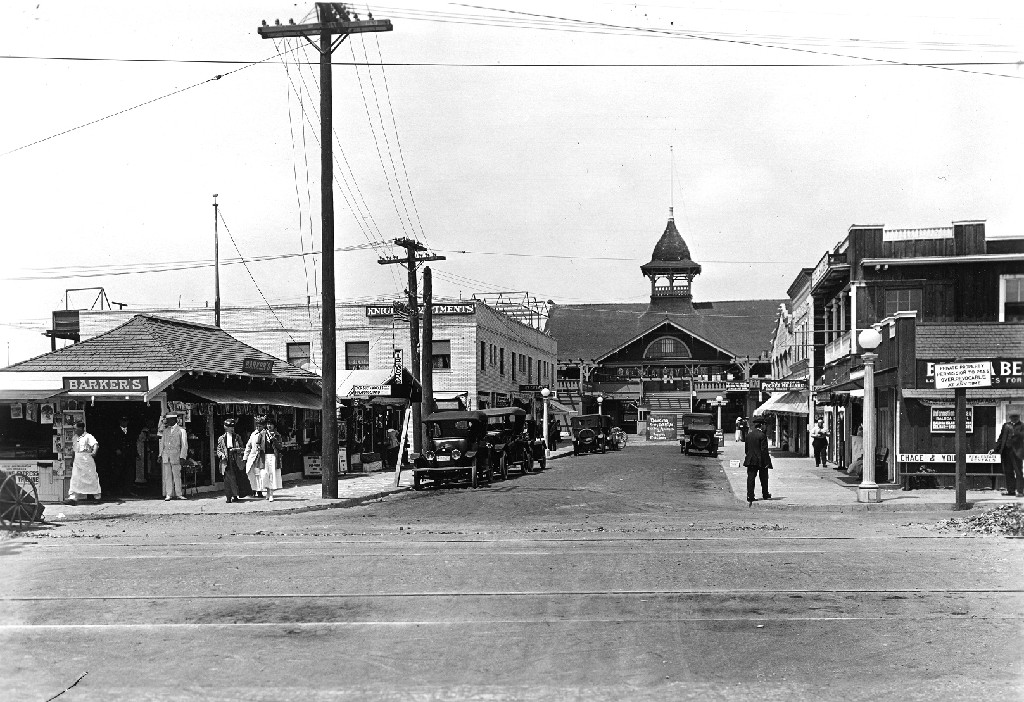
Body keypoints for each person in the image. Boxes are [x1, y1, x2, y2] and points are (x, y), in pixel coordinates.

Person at [64, 421, 100, 506]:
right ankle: (73, 498)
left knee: (91, 478)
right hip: (77, 459)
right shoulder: (75, 438)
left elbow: (95, 444)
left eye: (75, 428)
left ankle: (97, 497)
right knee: (75, 478)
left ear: (80, 428)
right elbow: (74, 450)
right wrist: (72, 460)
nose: (74, 430)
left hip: (86, 459)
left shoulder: (88, 436)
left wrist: (94, 452)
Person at [990, 411, 1024, 497]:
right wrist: (995, 449)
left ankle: (1020, 491)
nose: (1015, 418)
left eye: (1016, 417)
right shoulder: (1006, 426)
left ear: (1019, 418)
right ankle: (1011, 491)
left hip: (1017, 452)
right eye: (1013, 417)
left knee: (1018, 472)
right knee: (1008, 472)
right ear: (1010, 418)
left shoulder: (1022, 426)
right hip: (1006, 452)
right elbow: (1001, 439)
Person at [217, 418, 250, 503]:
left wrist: (235, 449)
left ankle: (236, 495)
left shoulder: (237, 437)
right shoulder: (221, 438)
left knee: (236, 477)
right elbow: (218, 450)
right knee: (227, 479)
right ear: (226, 428)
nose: (232, 429)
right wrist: (222, 455)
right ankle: (228, 496)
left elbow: (242, 448)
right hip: (226, 459)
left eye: (233, 427)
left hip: (235, 458)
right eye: (230, 427)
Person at [743, 417, 773, 506]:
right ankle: (765, 494)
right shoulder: (762, 435)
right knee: (764, 478)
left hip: (751, 460)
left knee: (751, 478)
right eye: (764, 425)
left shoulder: (749, 435)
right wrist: (767, 462)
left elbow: (746, 450)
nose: (765, 427)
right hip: (761, 460)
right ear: (761, 425)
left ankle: (750, 496)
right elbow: (764, 450)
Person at [160, 413, 188, 500]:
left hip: (176, 456)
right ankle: (169, 494)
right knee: (167, 476)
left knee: (177, 475)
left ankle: (179, 493)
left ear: (174, 420)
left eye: (169, 420)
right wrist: (160, 454)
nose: (167, 422)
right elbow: (162, 444)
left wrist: (183, 456)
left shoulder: (181, 430)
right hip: (166, 455)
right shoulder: (165, 431)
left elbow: (184, 445)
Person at [259, 417, 284, 501]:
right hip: (264, 456)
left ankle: (271, 494)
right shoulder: (262, 433)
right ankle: (267, 491)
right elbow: (258, 443)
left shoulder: (277, 435)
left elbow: (280, 446)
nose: (269, 426)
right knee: (264, 474)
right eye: (268, 424)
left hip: (273, 456)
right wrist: (259, 448)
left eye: (271, 424)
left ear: (274, 425)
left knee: (272, 474)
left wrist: (275, 440)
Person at [243, 416, 267, 498]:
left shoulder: (266, 434)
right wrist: (245, 457)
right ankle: (253, 490)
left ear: (264, 426)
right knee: (251, 474)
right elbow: (248, 446)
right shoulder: (253, 434)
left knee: (260, 475)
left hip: (262, 457)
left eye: (260, 426)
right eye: (257, 426)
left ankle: (259, 491)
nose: (258, 427)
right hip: (253, 457)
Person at [112, 416, 135, 497]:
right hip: (119, 455)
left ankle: (127, 491)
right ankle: (118, 491)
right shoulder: (115, 431)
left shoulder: (131, 430)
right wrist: (116, 449)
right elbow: (112, 441)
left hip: (128, 454)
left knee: (129, 473)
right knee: (118, 472)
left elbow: (133, 442)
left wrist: (135, 453)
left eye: (126, 421)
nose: (124, 423)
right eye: (123, 421)